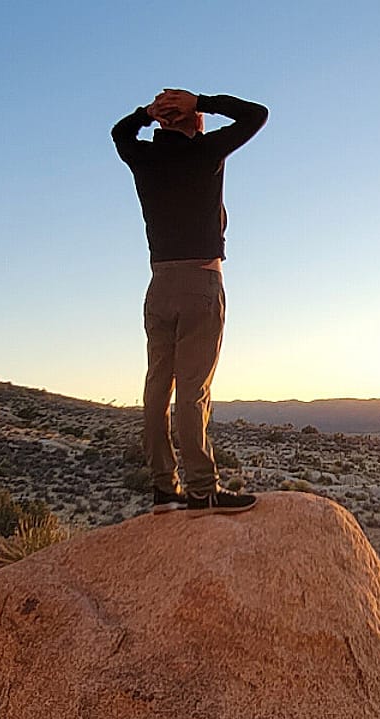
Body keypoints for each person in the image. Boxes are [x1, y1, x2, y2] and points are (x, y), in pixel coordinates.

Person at [112, 88, 268, 516]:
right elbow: (256, 114)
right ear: (194, 120)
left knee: (157, 389)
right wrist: (201, 100)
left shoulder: (143, 158)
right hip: (200, 283)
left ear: (163, 122)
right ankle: (203, 490)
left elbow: (119, 132)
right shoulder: (206, 151)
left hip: (159, 285)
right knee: (194, 391)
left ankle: (165, 489)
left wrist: (147, 112)